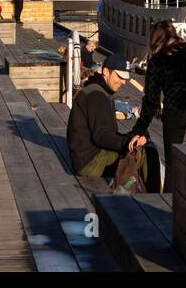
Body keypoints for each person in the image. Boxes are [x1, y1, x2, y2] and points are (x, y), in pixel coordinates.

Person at [130, 20, 186, 185]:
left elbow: (151, 100)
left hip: (176, 111)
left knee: (173, 167)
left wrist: (138, 130)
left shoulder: (157, 60)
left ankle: (170, 204)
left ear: (155, 40)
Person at [66, 53, 160, 190]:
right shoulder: (96, 96)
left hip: (90, 155)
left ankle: (143, 191)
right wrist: (128, 142)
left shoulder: (98, 91)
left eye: (125, 78)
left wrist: (132, 138)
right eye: (120, 77)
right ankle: (155, 199)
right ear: (106, 72)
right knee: (148, 153)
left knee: (144, 142)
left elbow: (105, 134)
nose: (123, 82)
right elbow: (102, 136)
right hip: (89, 162)